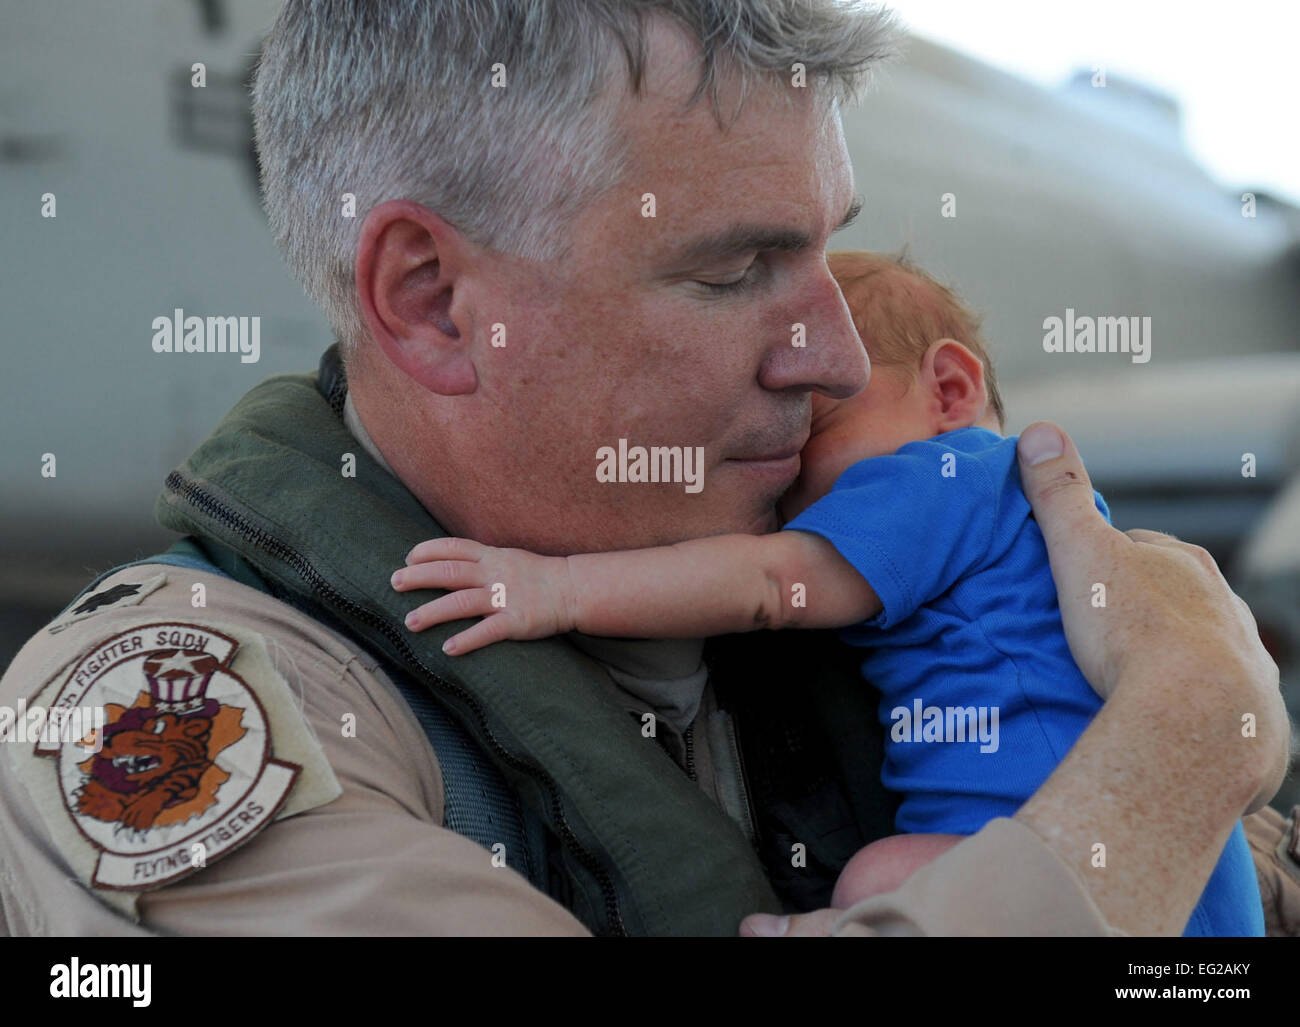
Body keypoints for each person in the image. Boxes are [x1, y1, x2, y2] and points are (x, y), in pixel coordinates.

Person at [0, 0, 1289, 938]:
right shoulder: (167, 723)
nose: (835, 360)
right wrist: (1173, 739)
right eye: (733, 273)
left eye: (826, 260)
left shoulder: (848, 575)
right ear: (437, 305)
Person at [392, 251, 1263, 935]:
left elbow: (769, 586)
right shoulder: (1006, 517)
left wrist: (555, 587)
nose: (790, 466)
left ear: (949, 392)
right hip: (1160, 864)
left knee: (874, 882)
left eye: (818, 422)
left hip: (1084, 864)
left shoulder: (945, 474)